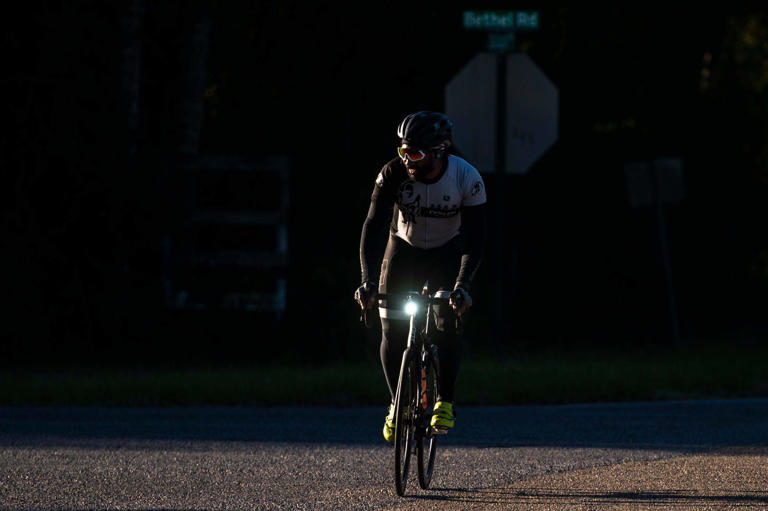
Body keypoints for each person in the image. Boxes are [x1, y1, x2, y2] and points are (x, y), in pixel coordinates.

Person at [354, 111, 487, 443]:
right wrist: (367, 280)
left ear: (439, 151)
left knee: (446, 321)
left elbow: (476, 239)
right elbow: (373, 226)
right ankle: (396, 404)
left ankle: (445, 402)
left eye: (414, 154)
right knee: (391, 328)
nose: (406, 160)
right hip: (403, 247)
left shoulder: (466, 177)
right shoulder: (392, 173)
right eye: (403, 151)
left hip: (447, 251)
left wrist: (462, 285)